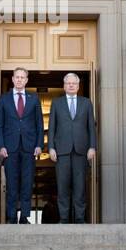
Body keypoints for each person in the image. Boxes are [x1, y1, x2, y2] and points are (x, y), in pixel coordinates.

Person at [0, 67, 44, 224]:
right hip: (10, 148)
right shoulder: (4, 99)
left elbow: (39, 124)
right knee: (12, 183)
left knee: (27, 182)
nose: (20, 80)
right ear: (12, 79)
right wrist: (1, 146)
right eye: (17, 77)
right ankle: (11, 216)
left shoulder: (34, 98)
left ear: (27, 80)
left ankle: (24, 216)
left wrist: (39, 145)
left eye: (22, 77)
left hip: (29, 148)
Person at [48, 72, 96, 224]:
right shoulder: (56, 103)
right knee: (63, 187)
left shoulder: (87, 103)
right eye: (68, 83)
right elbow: (51, 128)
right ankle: (63, 219)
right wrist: (51, 148)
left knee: (80, 187)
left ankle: (80, 218)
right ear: (64, 86)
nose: (70, 85)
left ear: (78, 86)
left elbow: (91, 128)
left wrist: (92, 147)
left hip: (81, 151)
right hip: (61, 151)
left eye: (73, 83)